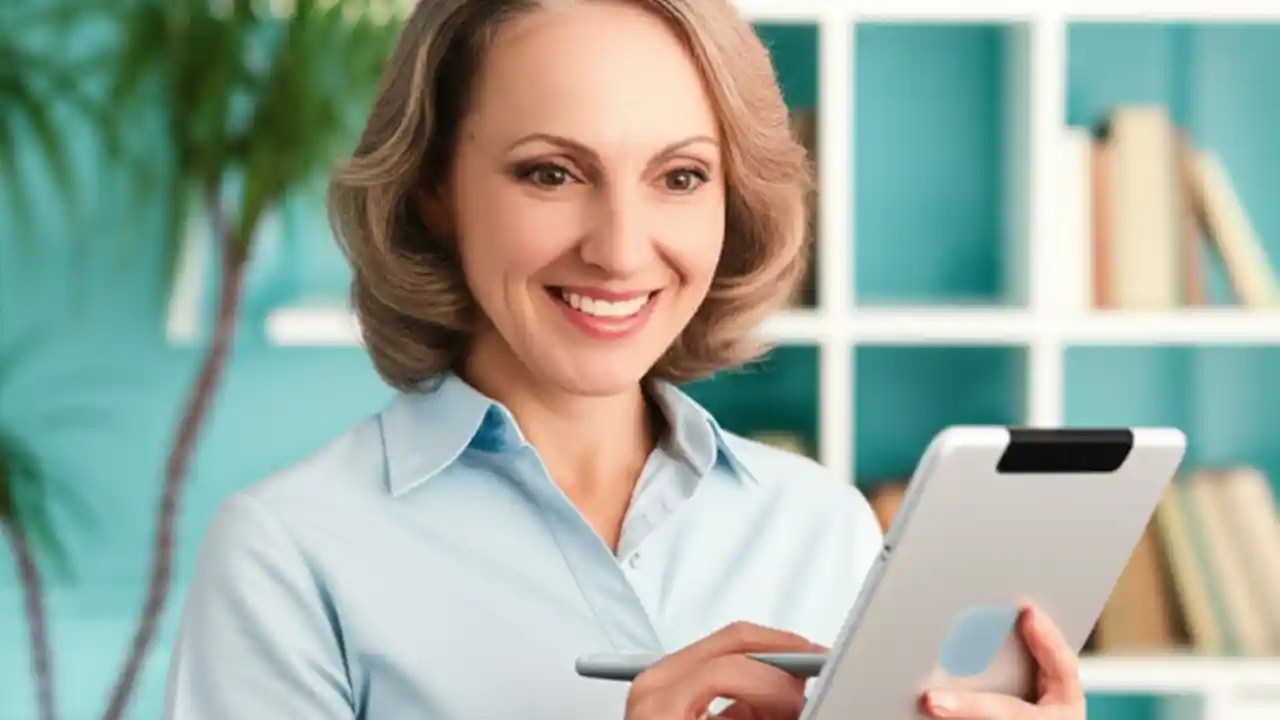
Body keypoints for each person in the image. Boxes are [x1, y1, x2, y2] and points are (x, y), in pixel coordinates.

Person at [163, 1, 1087, 718]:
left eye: (680, 177)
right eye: (551, 173)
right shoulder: (292, 555)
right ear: (436, 189)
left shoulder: (820, 528)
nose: (620, 249)